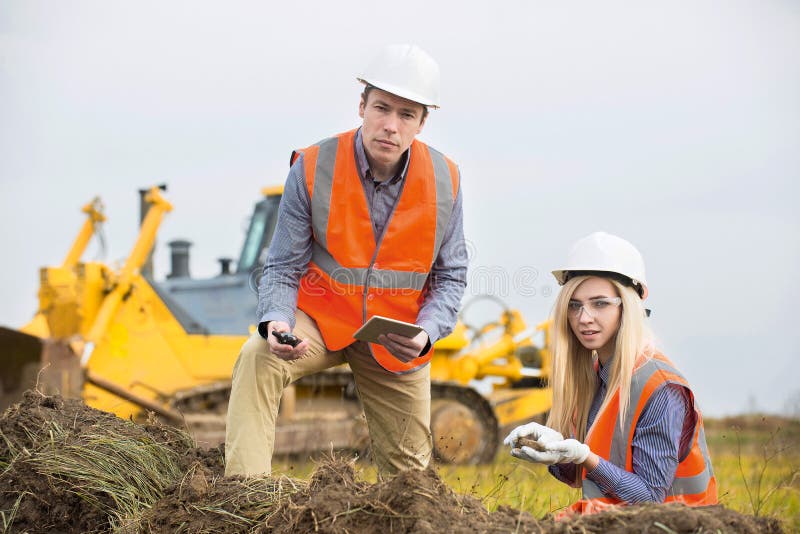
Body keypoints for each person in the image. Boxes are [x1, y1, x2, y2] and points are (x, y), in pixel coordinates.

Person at [224, 44, 467, 477]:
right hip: (320, 320)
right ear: (361, 106)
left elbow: (450, 276)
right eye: (382, 108)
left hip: (395, 339)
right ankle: (245, 497)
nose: (390, 126)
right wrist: (276, 320)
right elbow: (282, 265)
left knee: (412, 483)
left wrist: (427, 334)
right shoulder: (313, 165)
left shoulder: (445, 179)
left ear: (422, 122)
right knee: (258, 354)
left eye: (406, 115)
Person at [504, 232, 717, 515]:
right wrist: (555, 452)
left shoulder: (660, 388)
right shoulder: (597, 376)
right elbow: (586, 476)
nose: (584, 318)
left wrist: (585, 457)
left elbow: (649, 499)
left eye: (600, 303)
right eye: (574, 305)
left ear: (627, 307)